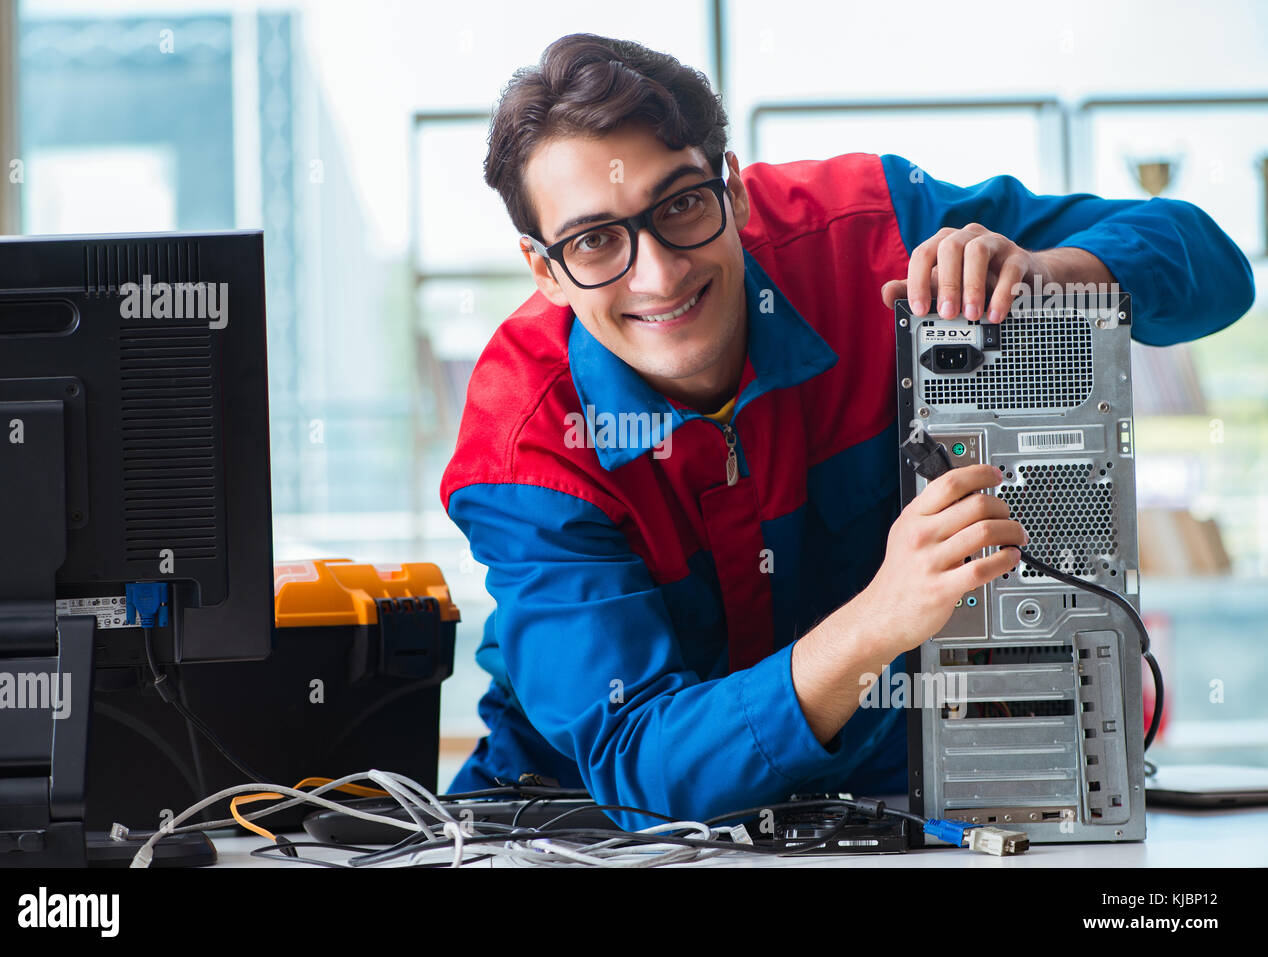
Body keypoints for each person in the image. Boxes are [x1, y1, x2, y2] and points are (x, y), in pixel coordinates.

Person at [439, 33, 1255, 829]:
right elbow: (641, 763)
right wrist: (881, 618)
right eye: (594, 240)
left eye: (681, 203)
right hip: (588, 832)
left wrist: (1052, 280)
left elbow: (1215, 268)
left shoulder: (878, 234)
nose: (659, 274)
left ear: (734, 188)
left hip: (890, 807)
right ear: (544, 268)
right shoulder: (525, 448)